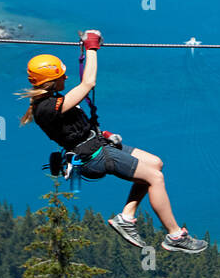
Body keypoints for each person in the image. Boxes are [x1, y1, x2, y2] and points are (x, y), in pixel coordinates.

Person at [19, 28, 207, 254]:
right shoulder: (46, 108)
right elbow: (88, 83)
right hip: (94, 157)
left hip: (99, 145)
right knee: (155, 178)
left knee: (155, 163)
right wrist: (92, 48)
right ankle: (175, 235)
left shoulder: (51, 101)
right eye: (61, 76)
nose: (66, 78)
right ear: (50, 82)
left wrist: (104, 134)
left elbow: (74, 128)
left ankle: (126, 217)